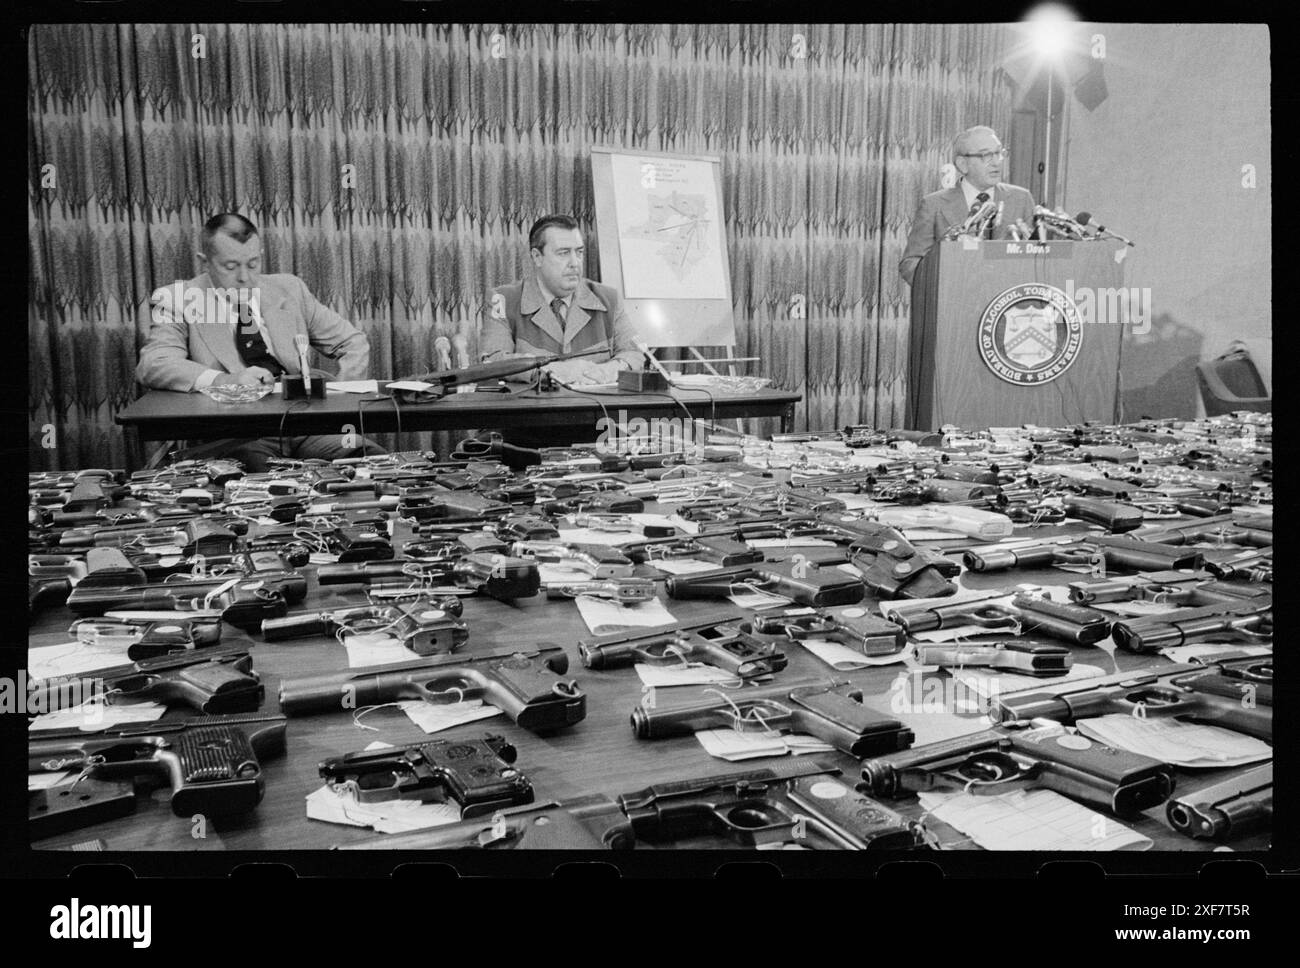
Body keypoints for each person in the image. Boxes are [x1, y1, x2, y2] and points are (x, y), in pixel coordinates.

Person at [137, 213, 383, 471]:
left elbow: (353, 343)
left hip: (306, 428)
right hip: (237, 434)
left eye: (253, 264)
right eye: (230, 267)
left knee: (369, 460)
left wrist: (340, 401)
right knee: (266, 481)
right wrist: (225, 381)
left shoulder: (290, 289)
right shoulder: (178, 298)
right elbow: (154, 364)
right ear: (204, 262)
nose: (245, 278)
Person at [481, 215, 642, 385]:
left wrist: (609, 370)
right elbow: (493, 361)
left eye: (579, 252)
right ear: (537, 257)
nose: (575, 263)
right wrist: (553, 370)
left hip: (598, 409)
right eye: (563, 253)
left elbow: (635, 353)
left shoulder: (609, 299)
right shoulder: (503, 300)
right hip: (535, 409)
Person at [898, 126, 1036, 286]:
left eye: (999, 153)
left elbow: (1038, 257)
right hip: (954, 301)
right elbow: (910, 264)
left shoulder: (1021, 199)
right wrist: (947, 276)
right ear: (963, 164)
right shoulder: (933, 205)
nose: (996, 162)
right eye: (986, 155)